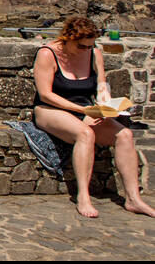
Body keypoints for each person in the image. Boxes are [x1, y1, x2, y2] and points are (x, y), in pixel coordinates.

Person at [33, 16, 154, 218]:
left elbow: (101, 86)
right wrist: (82, 111)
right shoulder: (48, 54)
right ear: (68, 38)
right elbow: (46, 94)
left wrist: (105, 104)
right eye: (81, 46)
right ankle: (83, 196)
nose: (86, 50)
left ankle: (133, 198)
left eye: (90, 46)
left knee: (124, 135)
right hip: (50, 109)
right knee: (85, 134)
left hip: (85, 108)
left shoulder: (93, 53)